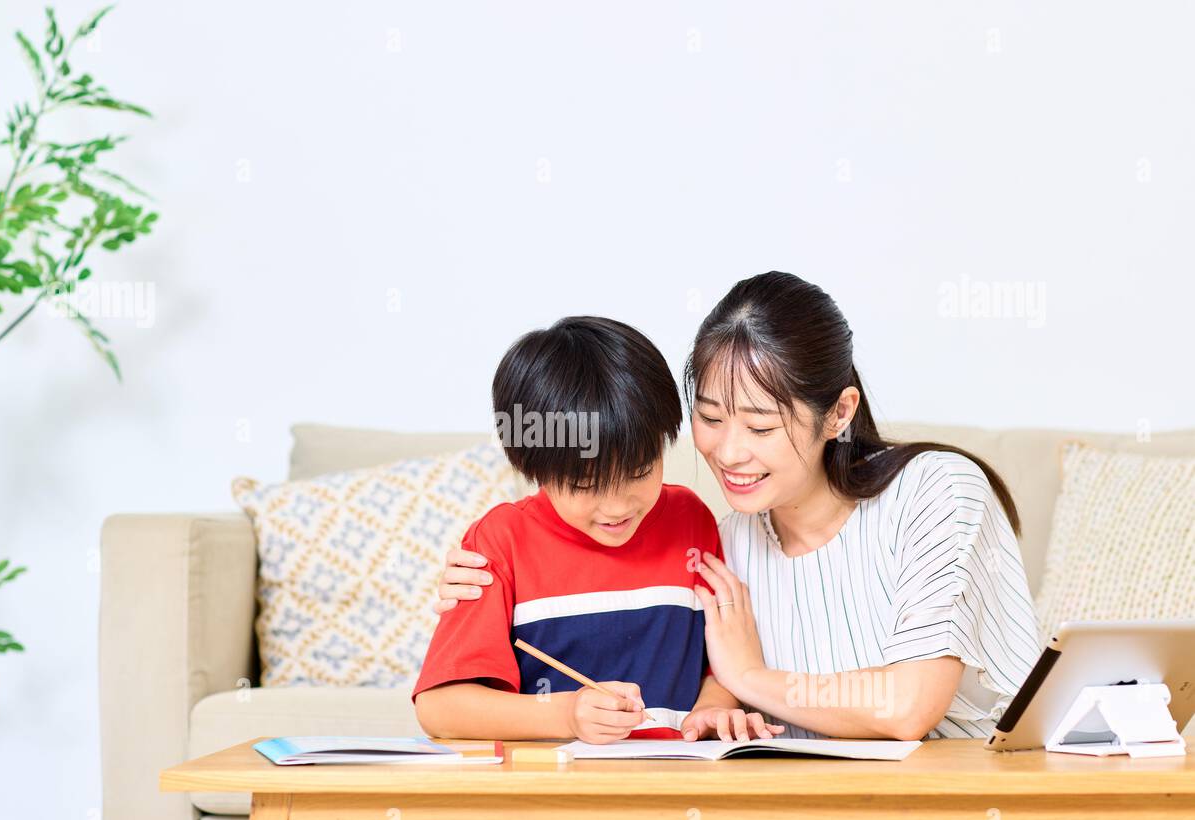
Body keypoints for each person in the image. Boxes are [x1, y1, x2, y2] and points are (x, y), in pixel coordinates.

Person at [435, 273, 1043, 741]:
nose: (728, 452)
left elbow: (907, 707)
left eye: (759, 426)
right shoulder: (726, 542)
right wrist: (492, 577)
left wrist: (748, 679)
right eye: (710, 417)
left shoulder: (937, 491)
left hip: (975, 796)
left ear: (838, 412)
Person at [412, 315, 786, 744]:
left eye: (640, 472)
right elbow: (440, 709)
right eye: (585, 486)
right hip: (559, 791)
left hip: (679, 781)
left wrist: (712, 709)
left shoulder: (690, 519)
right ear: (533, 467)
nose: (617, 506)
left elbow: (720, 663)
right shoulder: (500, 542)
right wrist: (566, 714)